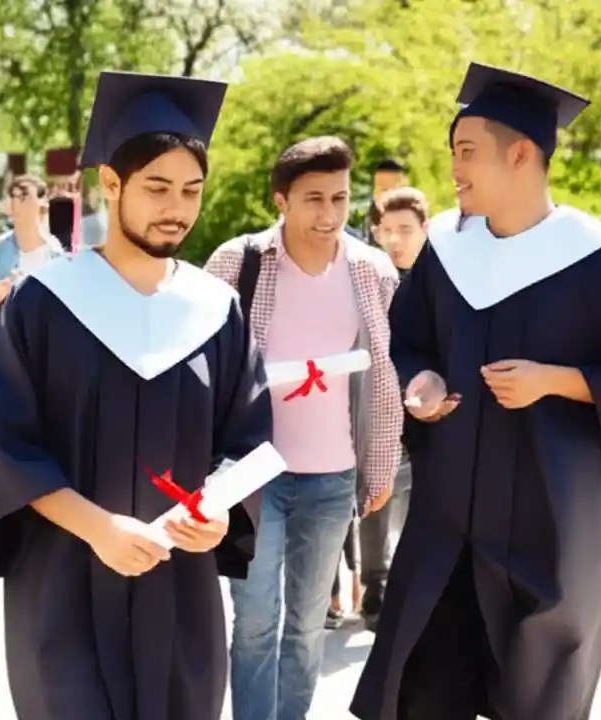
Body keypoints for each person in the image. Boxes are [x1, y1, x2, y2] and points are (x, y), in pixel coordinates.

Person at [352, 63, 601, 720]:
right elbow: (411, 339)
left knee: (536, 693)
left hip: (549, 526)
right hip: (449, 526)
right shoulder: (446, 249)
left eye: (467, 152)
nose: (454, 170)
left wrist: (556, 382)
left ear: (523, 153)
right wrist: (422, 381)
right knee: (423, 682)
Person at [0, 70, 273, 720]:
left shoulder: (216, 310)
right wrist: (98, 528)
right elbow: (4, 444)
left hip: (178, 584)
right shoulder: (45, 302)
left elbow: (247, 440)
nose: (176, 208)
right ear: (110, 183)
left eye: (191, 190)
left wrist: (217, 516)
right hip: (64, 583)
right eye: (157, 187)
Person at [204, 136, 402, 720]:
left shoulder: (371, 271)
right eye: (313, 198)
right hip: (253, 477)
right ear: (280, 200)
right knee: (257, 620)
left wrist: (381, 466)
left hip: (331, 477)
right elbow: (202, 366)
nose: (329, 214)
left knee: (307, 625)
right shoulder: (238, 262)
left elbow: (385, 377)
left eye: (340, 198)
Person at [356, 186, 430, 632]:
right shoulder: (368, 279)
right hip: (377, 411)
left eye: (406, 229)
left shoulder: (441, 282)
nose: (396, 239)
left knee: (422, 506)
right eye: (387, 230)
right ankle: (374, 586)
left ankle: (411, 586)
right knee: (375, 501)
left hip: (427, 412)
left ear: (425, 228)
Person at [0, 174, 65, 303]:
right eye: (13, 196)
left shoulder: (58, 256)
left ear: (42, 200)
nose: (16, 203)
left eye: (23, 196)